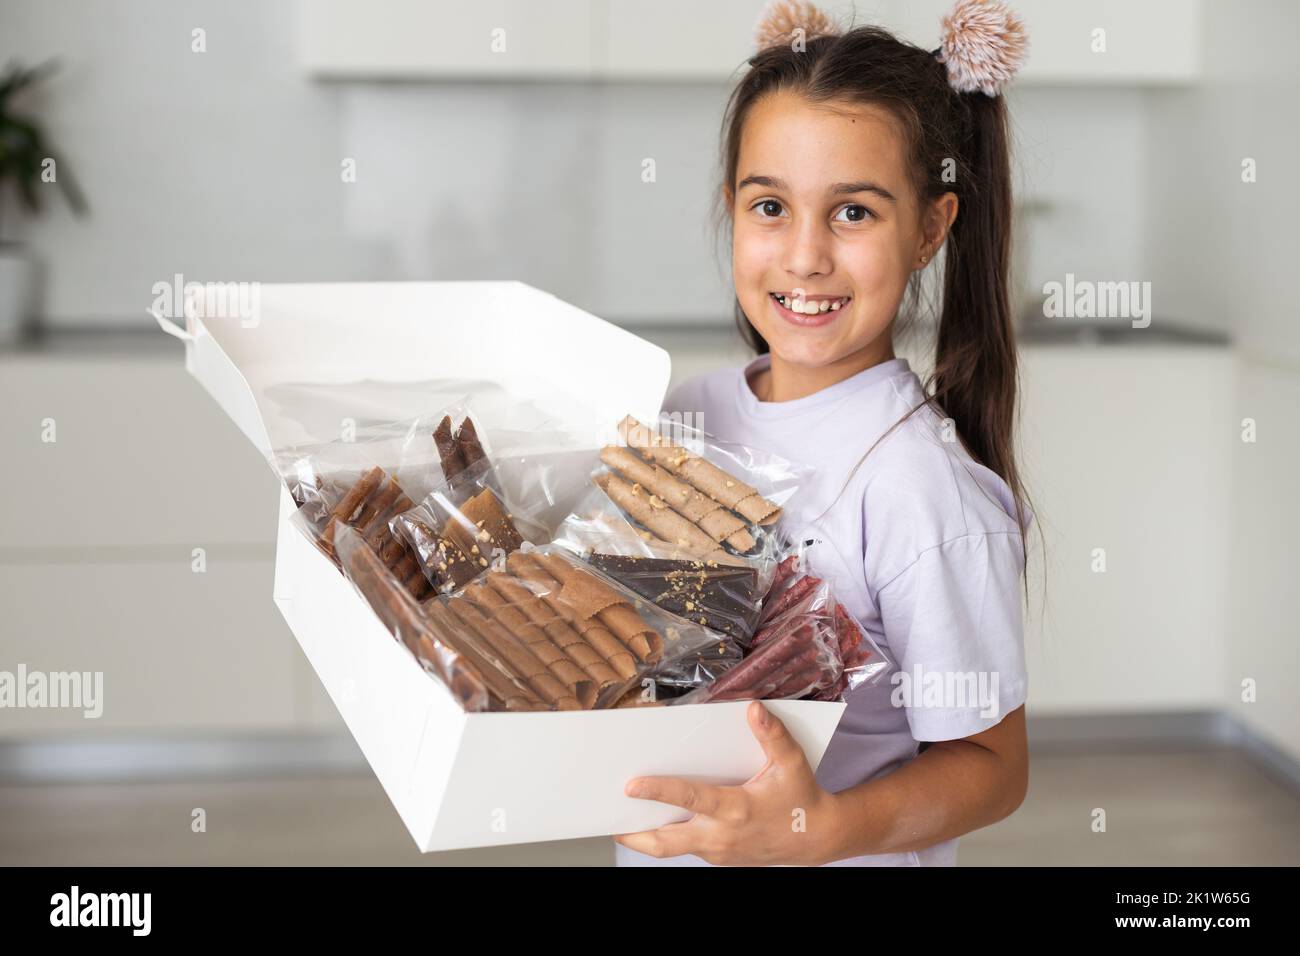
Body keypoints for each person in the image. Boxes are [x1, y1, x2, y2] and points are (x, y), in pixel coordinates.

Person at [613, 0, 1036, 866]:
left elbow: (993, 767)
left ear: (929, 229)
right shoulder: (686, 418)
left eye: (853, 213)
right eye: (771, 206)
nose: (804, 256)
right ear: (731, 207)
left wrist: (822, 828)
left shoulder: (920, 487)